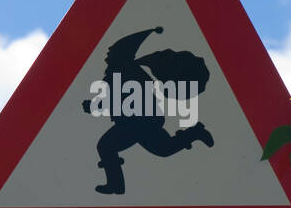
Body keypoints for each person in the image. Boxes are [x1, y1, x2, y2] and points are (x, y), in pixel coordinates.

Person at [80, 26, 214, 194]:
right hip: (144, 121)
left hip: (135, 123)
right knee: (164, 149)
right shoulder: (127, 71)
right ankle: (195, 133)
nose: (107, 58)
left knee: (106, 147)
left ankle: (116, 185)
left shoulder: (123, 71)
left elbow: (112, 99)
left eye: (110, 55)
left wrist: (93, 106)